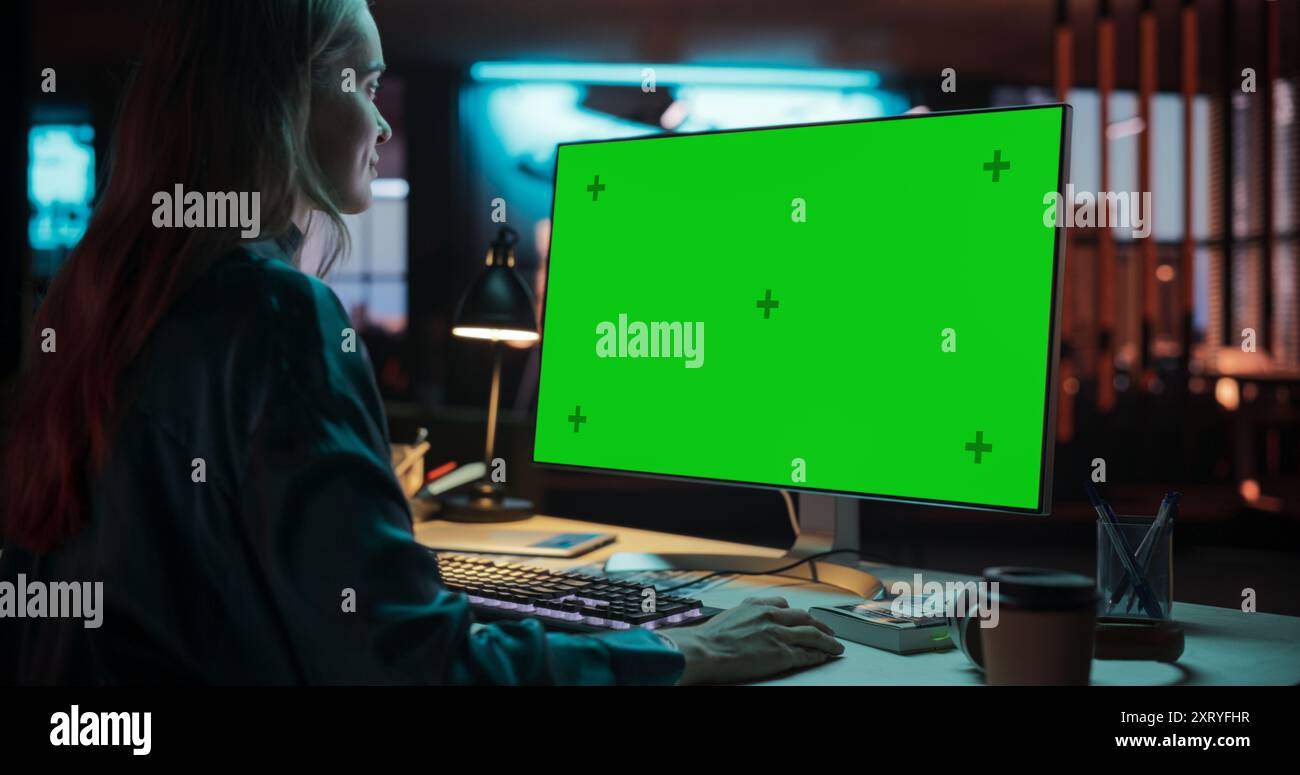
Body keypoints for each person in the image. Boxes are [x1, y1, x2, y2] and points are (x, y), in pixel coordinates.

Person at [0, 0, 843, 685]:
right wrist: (678, 650)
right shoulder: (274, 313)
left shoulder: (98, 300)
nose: (382, 122)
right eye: (363, 83)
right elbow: (412, 666)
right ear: (283, 100)